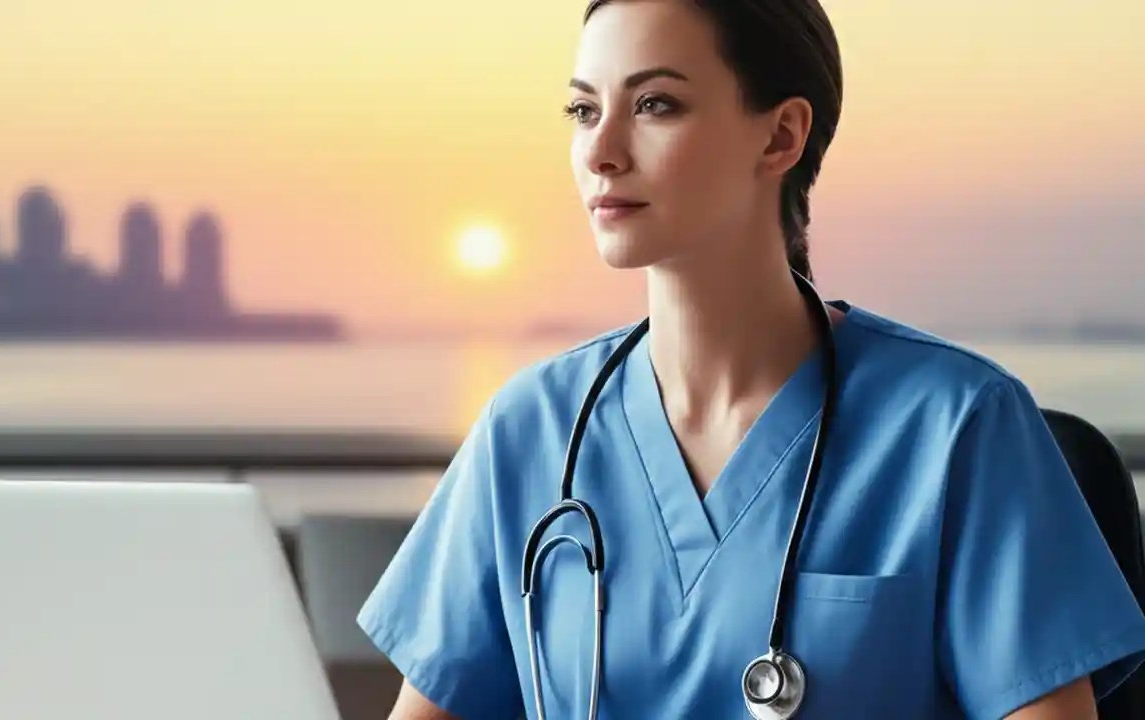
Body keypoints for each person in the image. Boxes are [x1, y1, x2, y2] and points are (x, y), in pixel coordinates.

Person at [356, 1, 1145, 717]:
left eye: (655, 104)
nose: (600, 151)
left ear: (781, 135)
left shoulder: (955, 426)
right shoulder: (530, 428)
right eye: (583, 109)